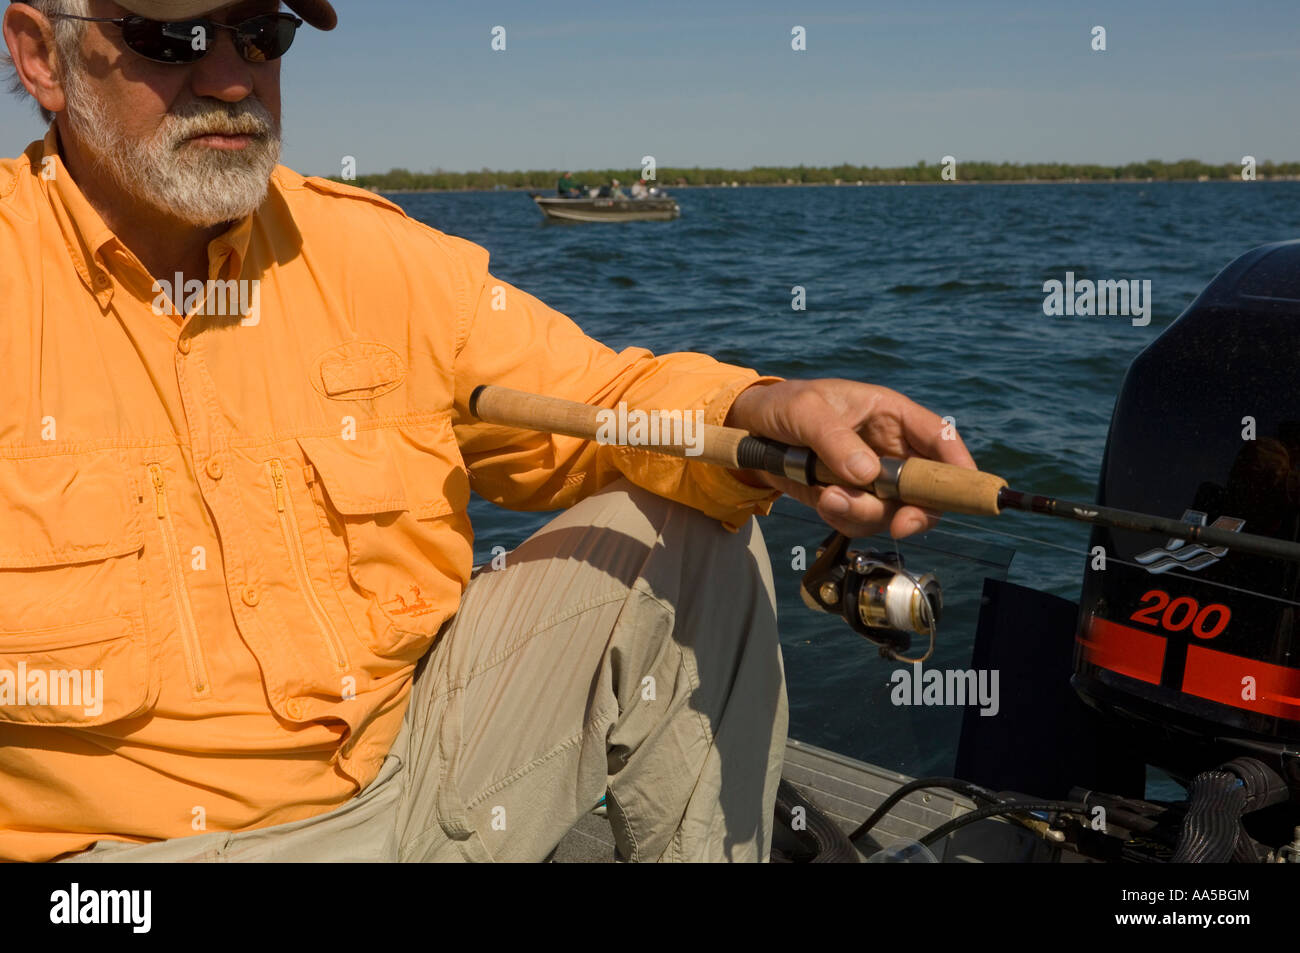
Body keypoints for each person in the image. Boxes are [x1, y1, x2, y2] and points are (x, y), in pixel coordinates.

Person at [0, 0, 976, 863]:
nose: (227, 76)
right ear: (41, 55)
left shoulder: (379, 259)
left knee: (684, 519)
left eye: (260, 31)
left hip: (411, 787)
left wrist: (765, 409)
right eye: (171, 35)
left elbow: (609, 401)